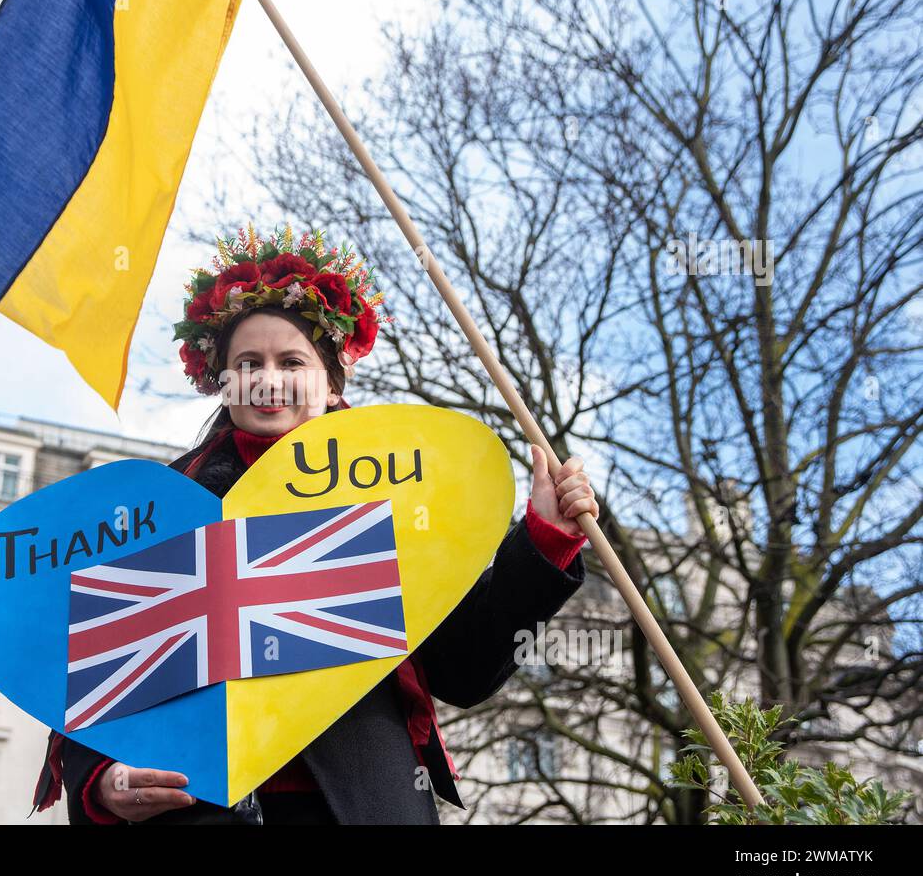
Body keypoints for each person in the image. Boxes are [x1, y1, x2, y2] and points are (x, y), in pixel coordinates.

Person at [31, 225, 599, 824]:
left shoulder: (399, 498)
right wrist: (101, 780)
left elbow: (462, 667)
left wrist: (541, 539)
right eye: (248, 363)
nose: (268, 378)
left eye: (291, 361)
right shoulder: (161, 507)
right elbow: (100, 660)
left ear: (331, 385)